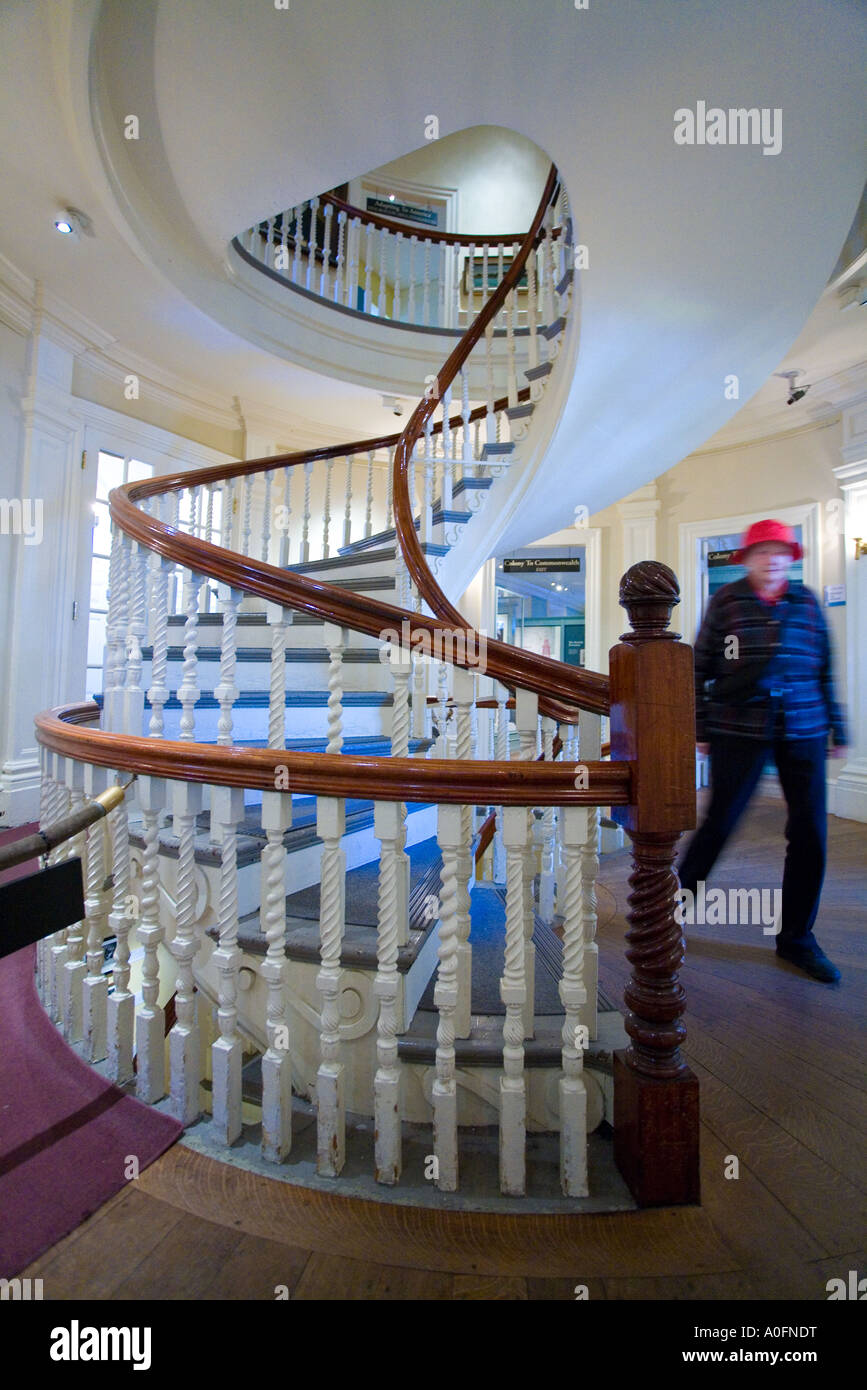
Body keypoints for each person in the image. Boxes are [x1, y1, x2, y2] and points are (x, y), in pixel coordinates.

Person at [678, 519, 848, 983]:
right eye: (763, 551)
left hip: (805, 727)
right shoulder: (726, 601)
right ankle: (671, 912)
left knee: (810, 832)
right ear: (747, 558)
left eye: (781, 552)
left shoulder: (808, 603)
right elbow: (698, 667)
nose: (773, 559)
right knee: (720, 823)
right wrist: (701, 726)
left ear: (790, 558)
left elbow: (825, 669)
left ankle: (797, 939)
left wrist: (838, 726)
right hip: (738, 728)